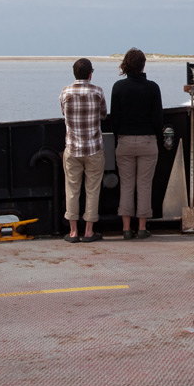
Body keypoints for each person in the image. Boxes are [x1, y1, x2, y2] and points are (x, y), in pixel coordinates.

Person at [110, 48, 163, 240]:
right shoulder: (153, 88)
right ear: (143, 65)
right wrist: (156, 137)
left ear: (125, 64)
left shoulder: (118, 87)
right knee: (144, 185)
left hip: (124, 140)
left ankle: (126, 228)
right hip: (147, 140)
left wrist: (120, 135)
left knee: (126, 185)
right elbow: (158, 118)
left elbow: (114, 118)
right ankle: (141, 227)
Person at [60, 58, 107, 243]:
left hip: (72, 147)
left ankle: (73, 232)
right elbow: (103, 114)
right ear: (90, 74)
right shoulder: (97, 92)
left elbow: (63, 112)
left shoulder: (66, 92)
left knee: (72, 189)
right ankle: (88, 231)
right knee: (92, 190)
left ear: (74, 73)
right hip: (94, 147)